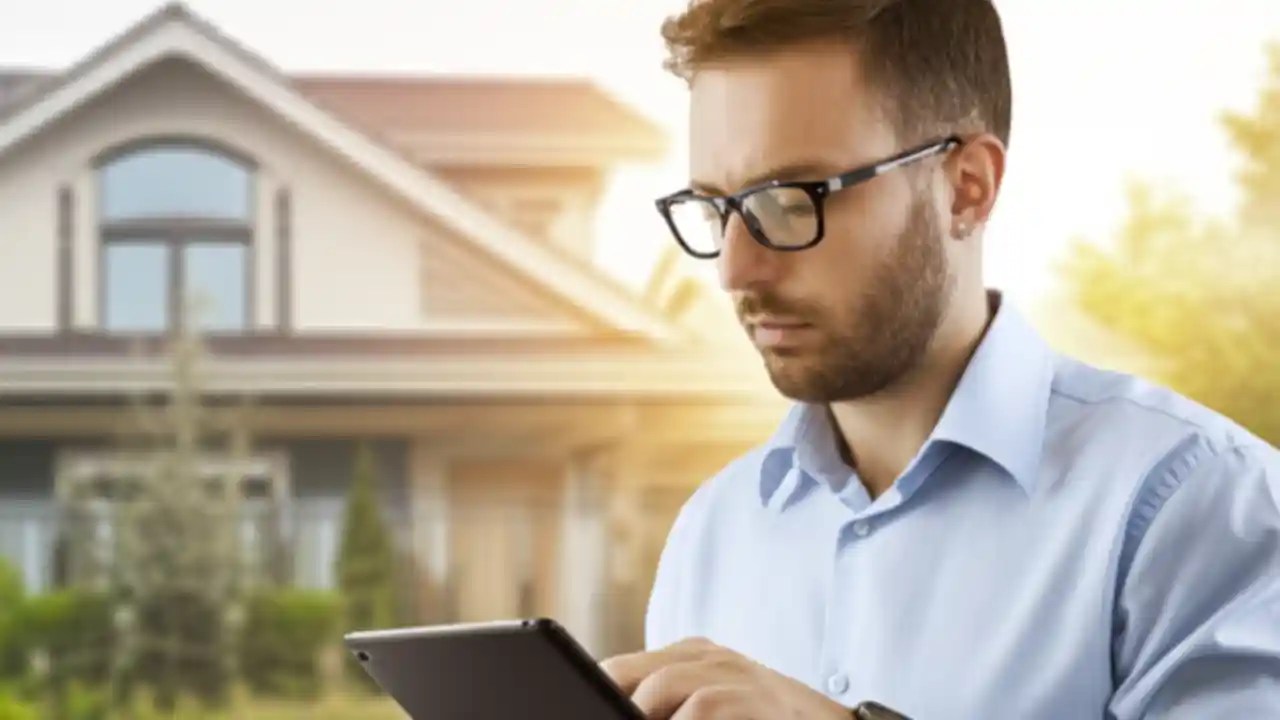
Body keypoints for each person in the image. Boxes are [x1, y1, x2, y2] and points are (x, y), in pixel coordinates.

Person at [598, 0, 1280, 718]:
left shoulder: (1197, 504)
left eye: (791, 202)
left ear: (966, 188)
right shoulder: (712, 534)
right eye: (716, 208)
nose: (735, 271)